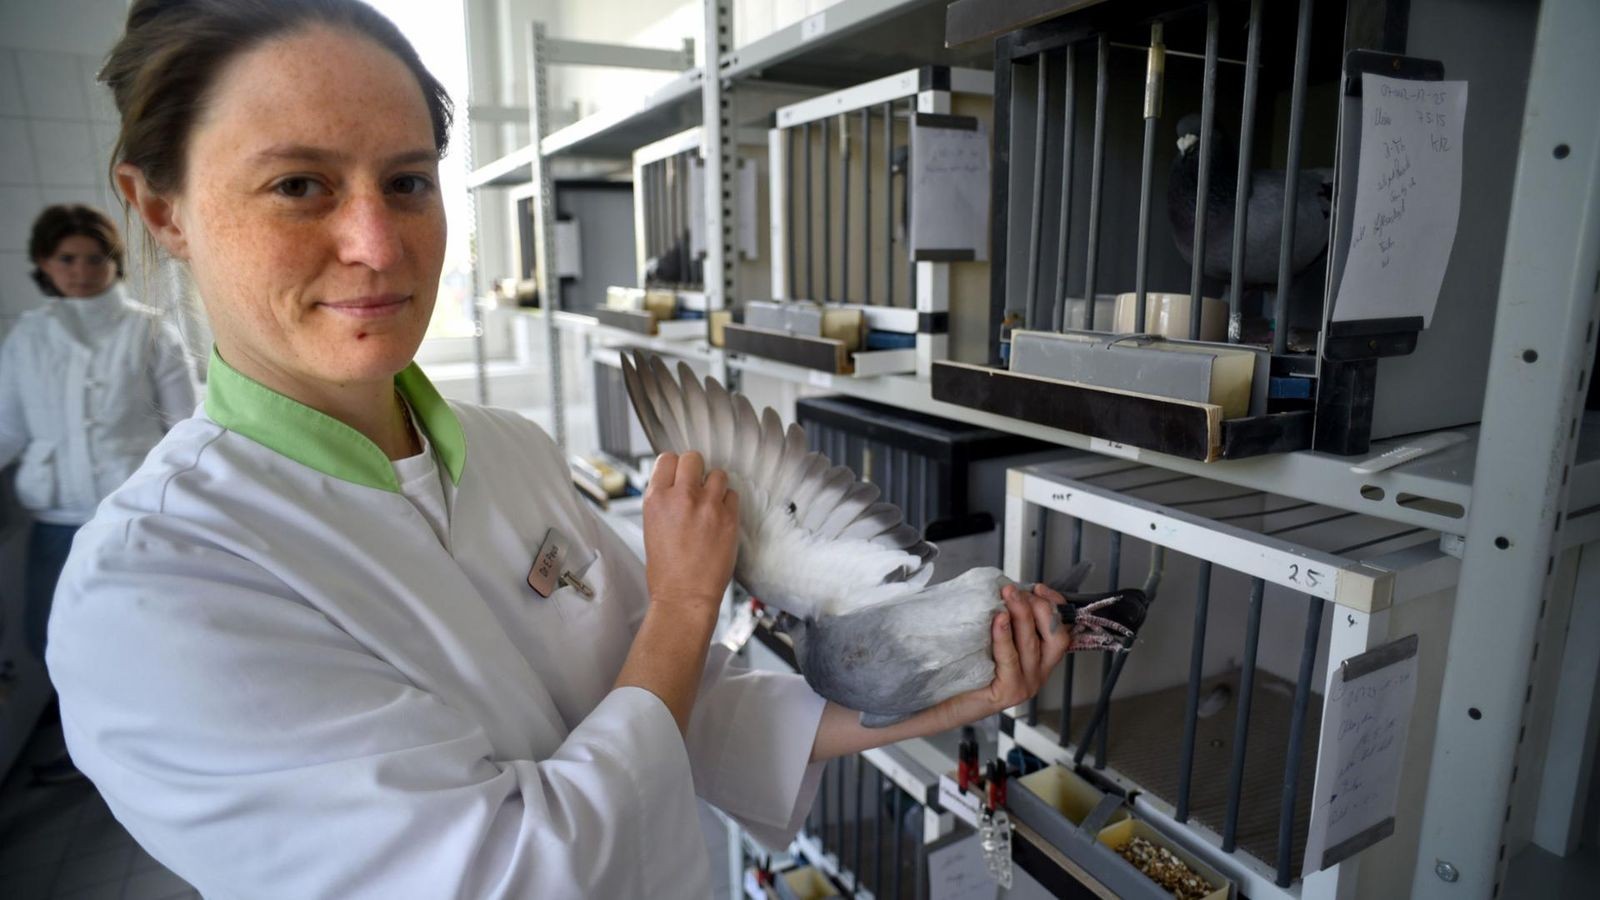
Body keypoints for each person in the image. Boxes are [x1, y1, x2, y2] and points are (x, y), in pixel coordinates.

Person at [47, 1, 1082, 896]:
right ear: (160, 207)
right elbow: (516, 875)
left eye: (406, 181)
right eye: (298, 186)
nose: (376, 242)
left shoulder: (507, 453)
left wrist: (938, 689)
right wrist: (684, 601)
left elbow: (679, 705)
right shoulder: (152, 591)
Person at [0, 202, 195, 784]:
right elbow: (8, 426)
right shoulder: (27, 337)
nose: (82, 269)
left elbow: (186, 428)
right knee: (50, 638)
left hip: (133, 515)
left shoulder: (149, 329)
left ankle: (165, 746)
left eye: (94, 258)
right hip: (57, 517)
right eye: (67, 258)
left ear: (113, 263)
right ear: (44, 263)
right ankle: (93, 748)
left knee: (150, 633)